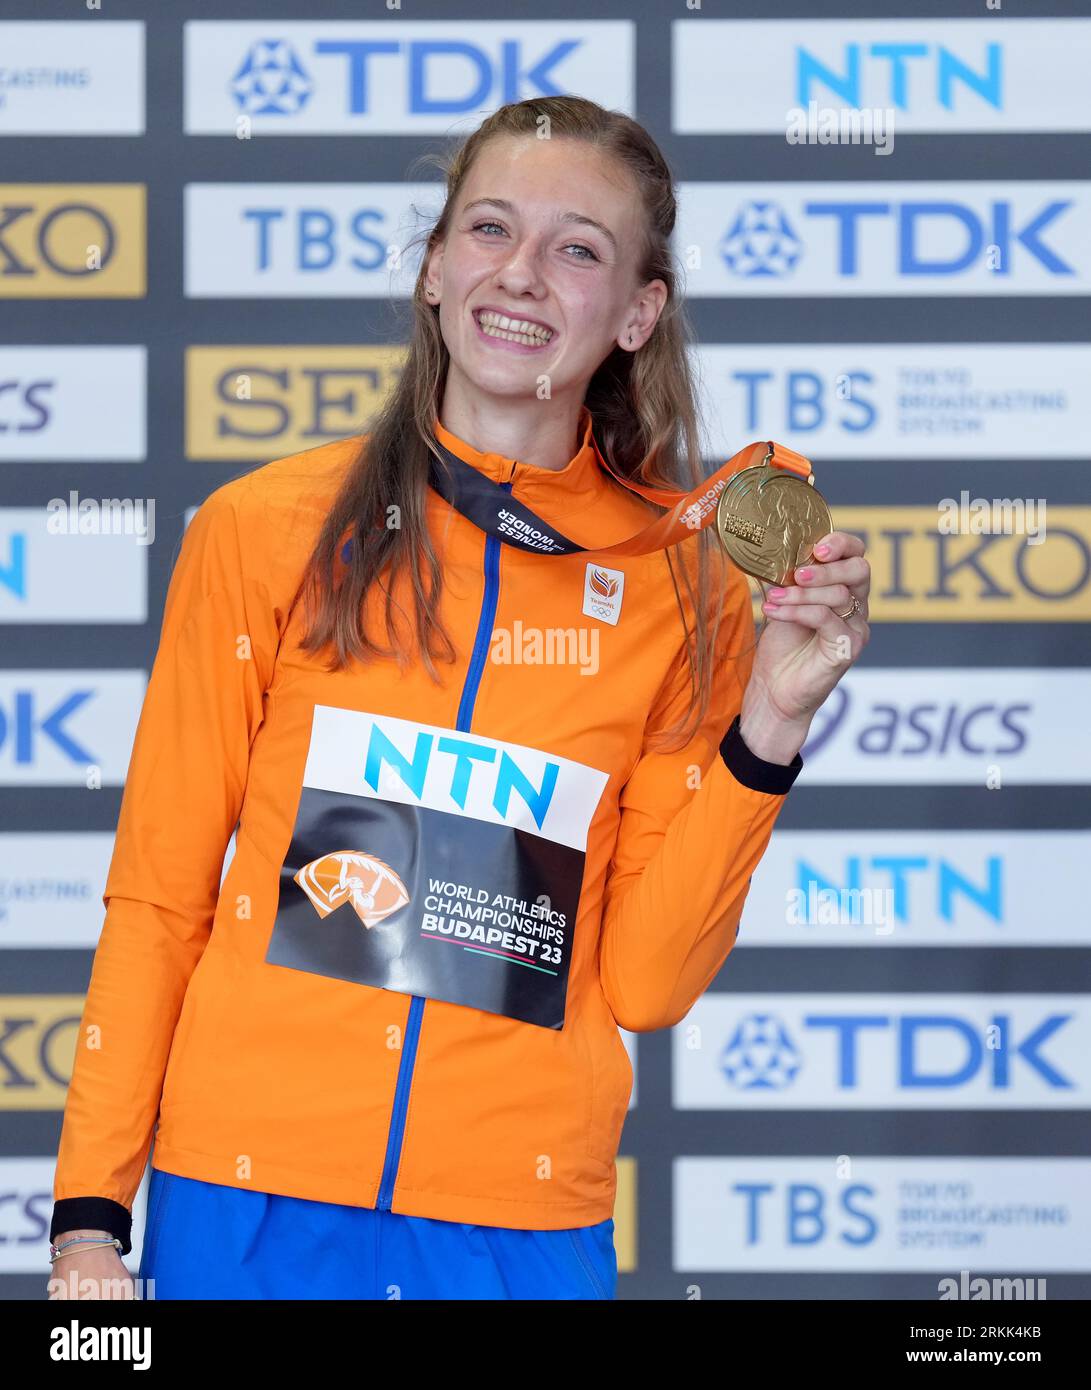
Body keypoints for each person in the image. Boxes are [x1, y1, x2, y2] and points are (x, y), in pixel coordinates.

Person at [47, 95, 871, 1301]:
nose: (520, 275)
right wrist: (85, 1228)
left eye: (576, 248)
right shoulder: (263, 531)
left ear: (638, 313)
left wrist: (771, 729)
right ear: (434, 271)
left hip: (518, 1221)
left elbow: (644, 984)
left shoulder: (682, 589)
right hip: (244, 1196)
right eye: (488, 229)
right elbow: (160, 893)